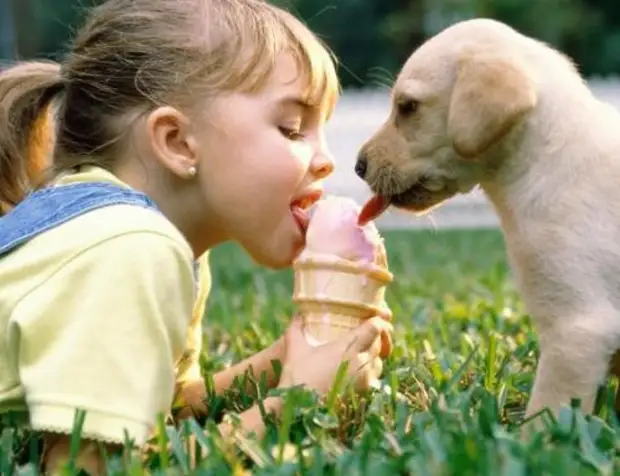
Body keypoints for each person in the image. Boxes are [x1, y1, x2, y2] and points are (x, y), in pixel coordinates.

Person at [0, 0, 394, 473]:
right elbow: (90, 465)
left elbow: (165, 409)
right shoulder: (128, 247)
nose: (326, 159)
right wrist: (296, 402)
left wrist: (280, 361)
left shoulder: (158, 243)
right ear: (176, 141)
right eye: (291, 128)